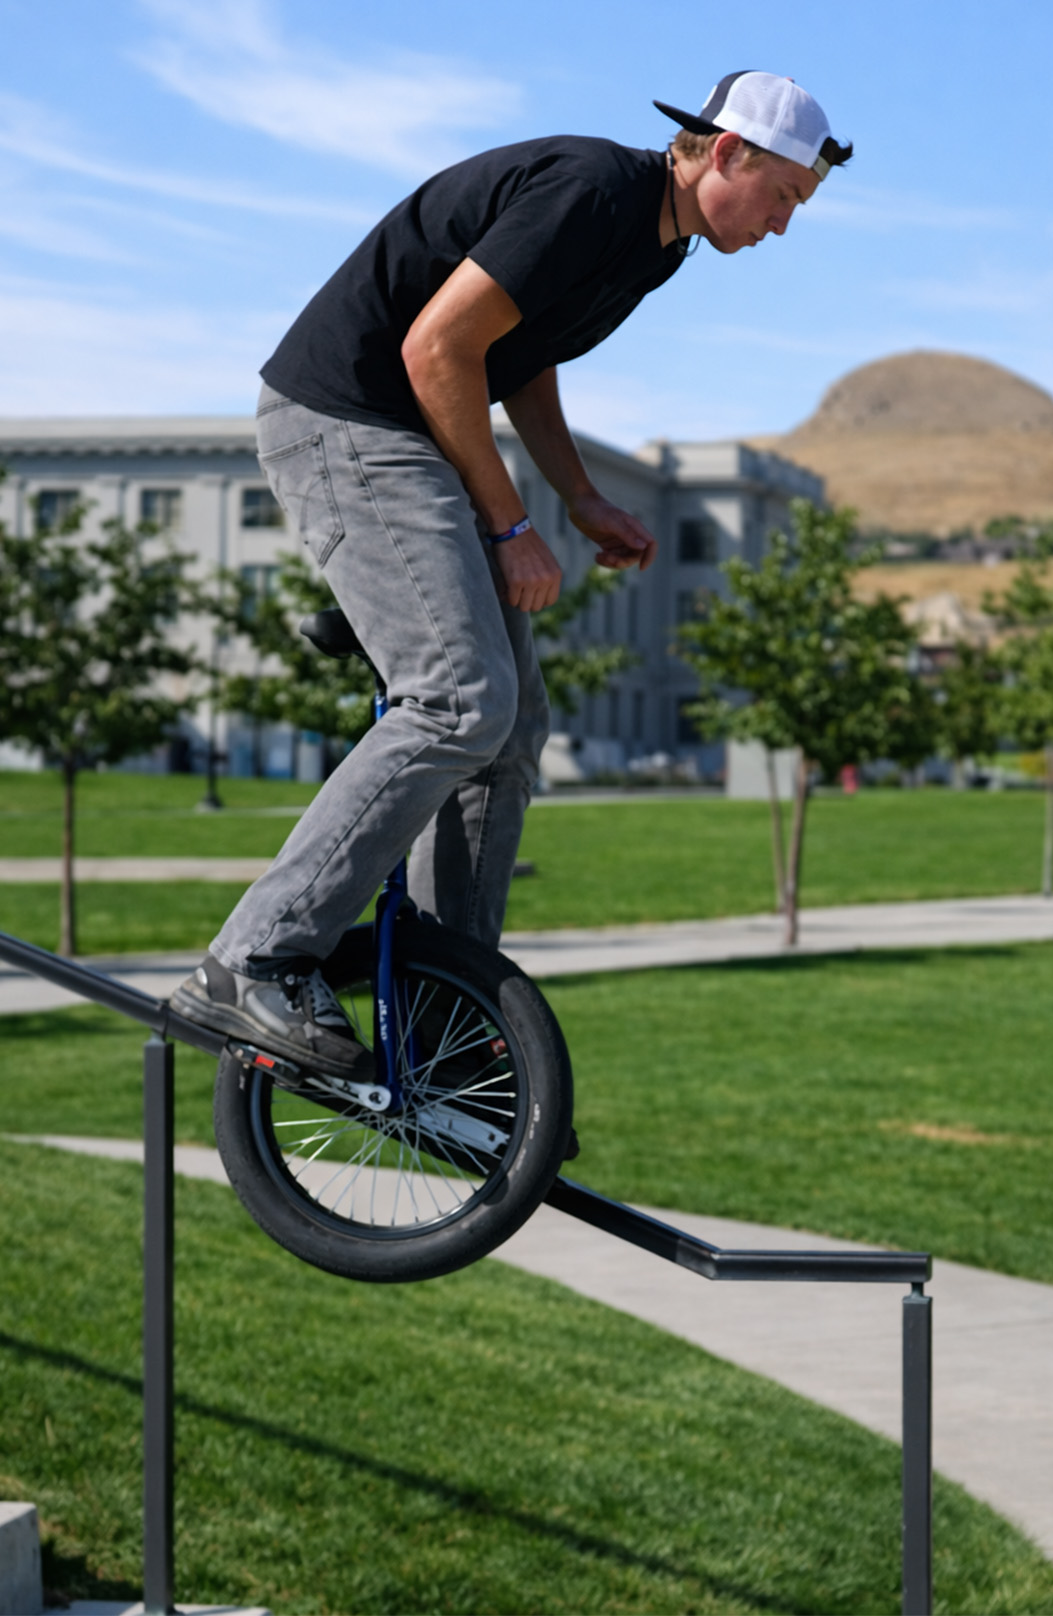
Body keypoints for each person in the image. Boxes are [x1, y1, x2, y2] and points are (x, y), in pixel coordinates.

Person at [172, 70, 851, 1075]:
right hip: (347, 421)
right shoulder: (590, 191)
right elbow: (440, 345)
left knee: (512, 721)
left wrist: (579, 497)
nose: (784, 227)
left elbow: (520, 355)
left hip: (414, 436)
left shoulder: (655, 247)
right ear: (728, 153)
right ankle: (255, 958)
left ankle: (447, 1021)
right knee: (457, 700)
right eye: (785, 198)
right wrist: (510, 525)